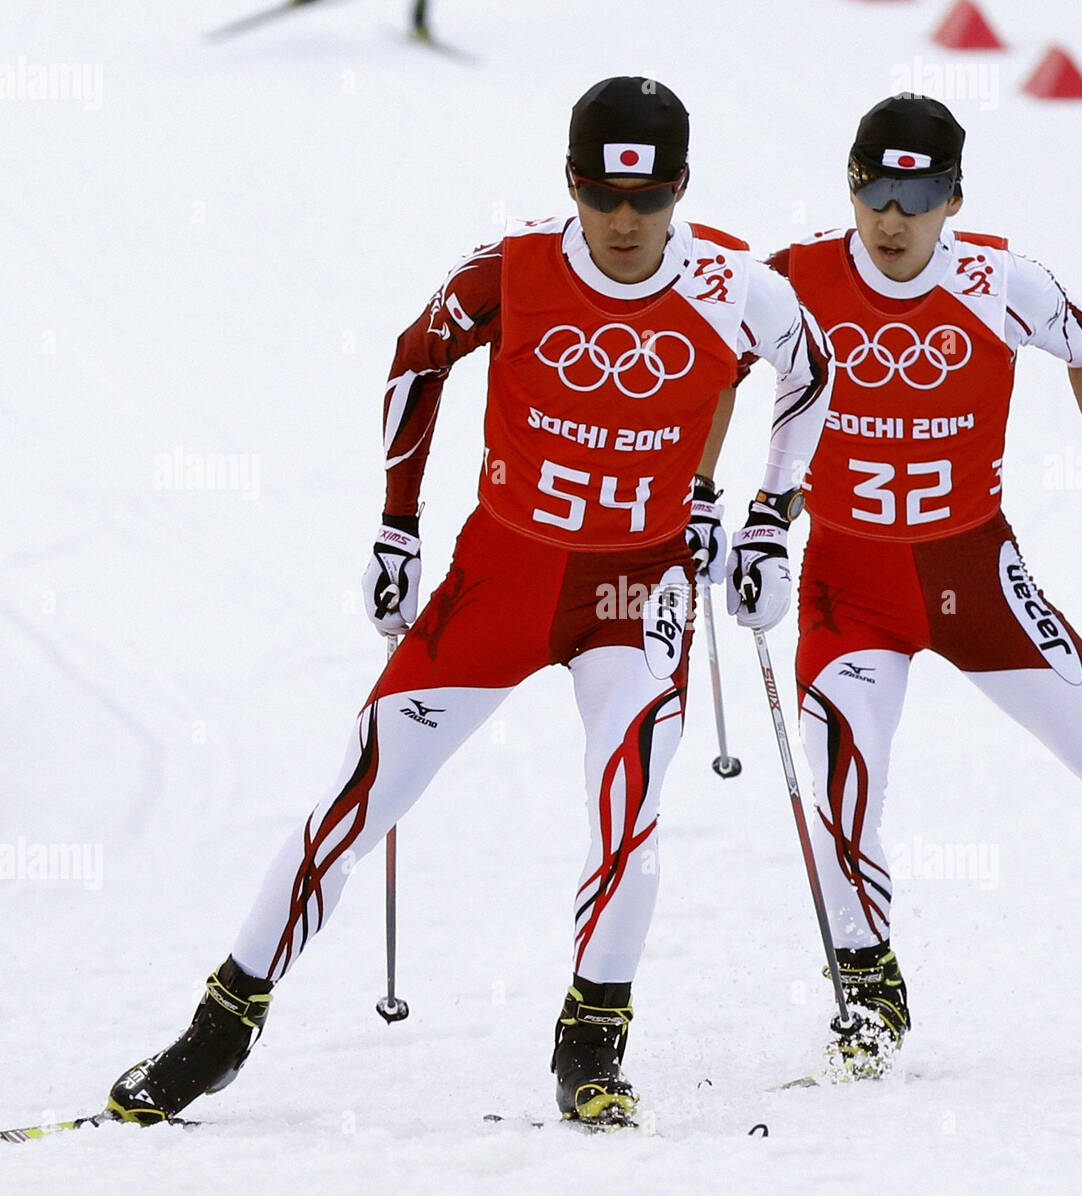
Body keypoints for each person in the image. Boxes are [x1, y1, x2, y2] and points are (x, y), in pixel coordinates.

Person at [107, 77, 830, 1127]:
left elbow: (807, 375)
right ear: (571, 180)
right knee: (362, 793)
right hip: (502, 573)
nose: (624, 222)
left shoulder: (738, 287)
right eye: (600, 192)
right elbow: (417, 360)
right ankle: (218, 1029)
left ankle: (591, 1044)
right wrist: (397, 524)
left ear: (680, 185)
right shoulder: (514, 264)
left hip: (635, 588)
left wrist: (766, 517)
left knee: (628, 811)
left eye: (650, 195)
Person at [744, 92, 1082, 1077]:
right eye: (873, 190)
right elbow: (719, 368)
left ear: (952, 196)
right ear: (850, 187)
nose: (892, 218)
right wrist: (744, 516)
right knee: (841, 779)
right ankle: (871, 994)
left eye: (915, 195)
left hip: (975, 579)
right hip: (850, 583)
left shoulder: (1001, 279)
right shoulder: (794, 277)